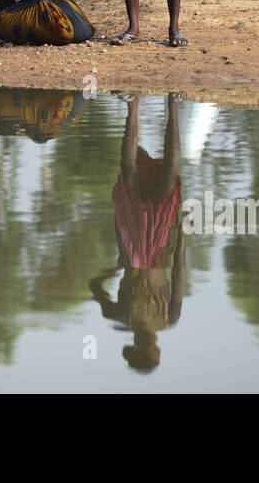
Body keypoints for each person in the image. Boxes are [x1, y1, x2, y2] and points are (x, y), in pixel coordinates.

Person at [88, 93, 186, 373]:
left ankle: (137, 106)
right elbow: (178, 273)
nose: (156, 346)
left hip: (136, 240)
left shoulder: (123, 317)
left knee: (138, 169)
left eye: (154, 351)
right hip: (158, 241)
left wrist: (118, 267)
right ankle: (169, 104)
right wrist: (181, 236)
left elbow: (94, 286)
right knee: (165, 170)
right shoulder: (167, 317)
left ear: (146, 351)